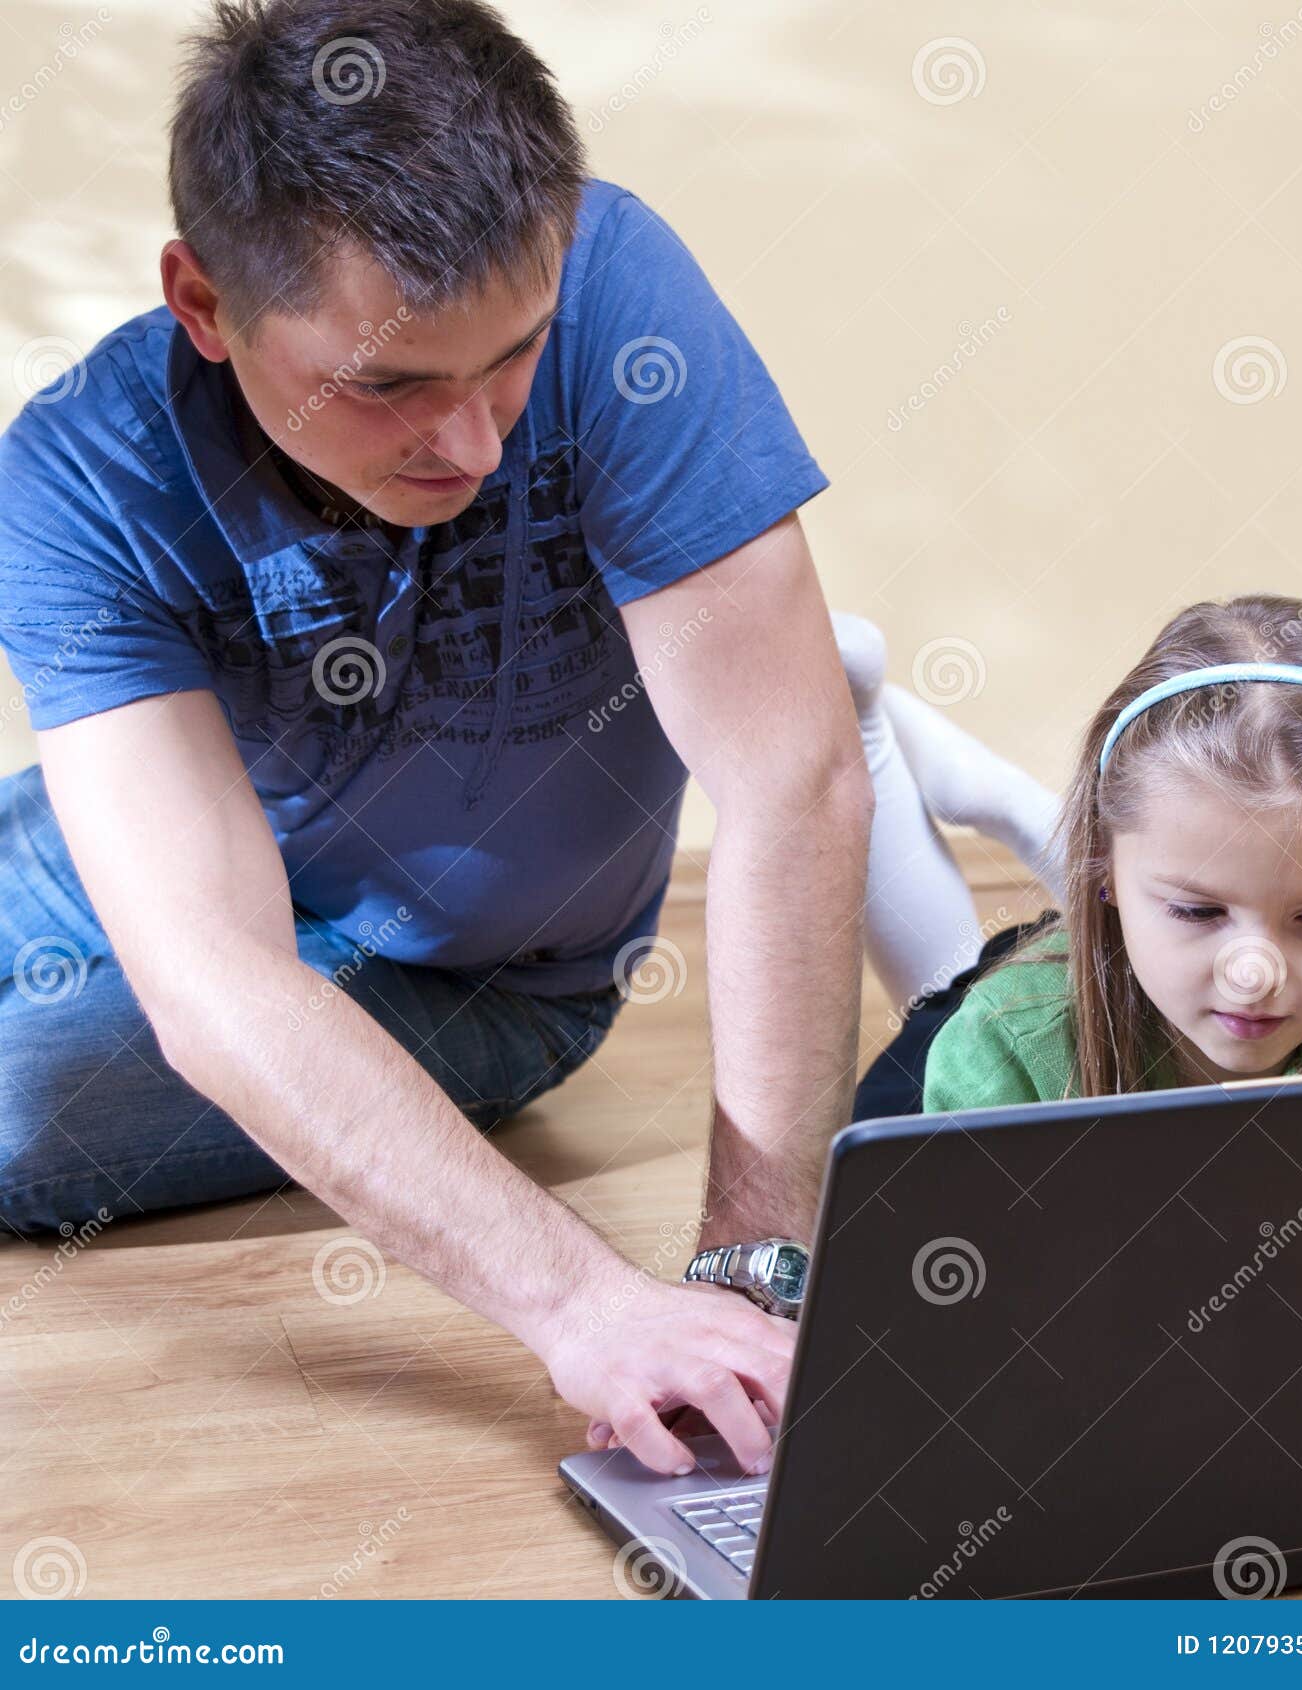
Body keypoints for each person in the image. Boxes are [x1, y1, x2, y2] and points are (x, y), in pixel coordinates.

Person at [0, 0, 874, 1482]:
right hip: (151, 861)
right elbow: (213, 971)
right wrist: (592, 1301)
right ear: (202, 305)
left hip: (466, 978)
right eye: (390, 384)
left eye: (512, 358)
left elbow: (792, 781)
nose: (469, 443)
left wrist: (746, 1278)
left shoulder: (618, 289)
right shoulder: (74, 476)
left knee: (19, 1107)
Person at [835, 593, 1302, 1123]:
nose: (1252, 977)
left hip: (1120, 944)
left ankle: (1019, 807)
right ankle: (873, 728)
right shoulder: (1001, 1043)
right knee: (941, 982)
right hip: (1018, 1015)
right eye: (1198, 909)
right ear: (1097, 864)